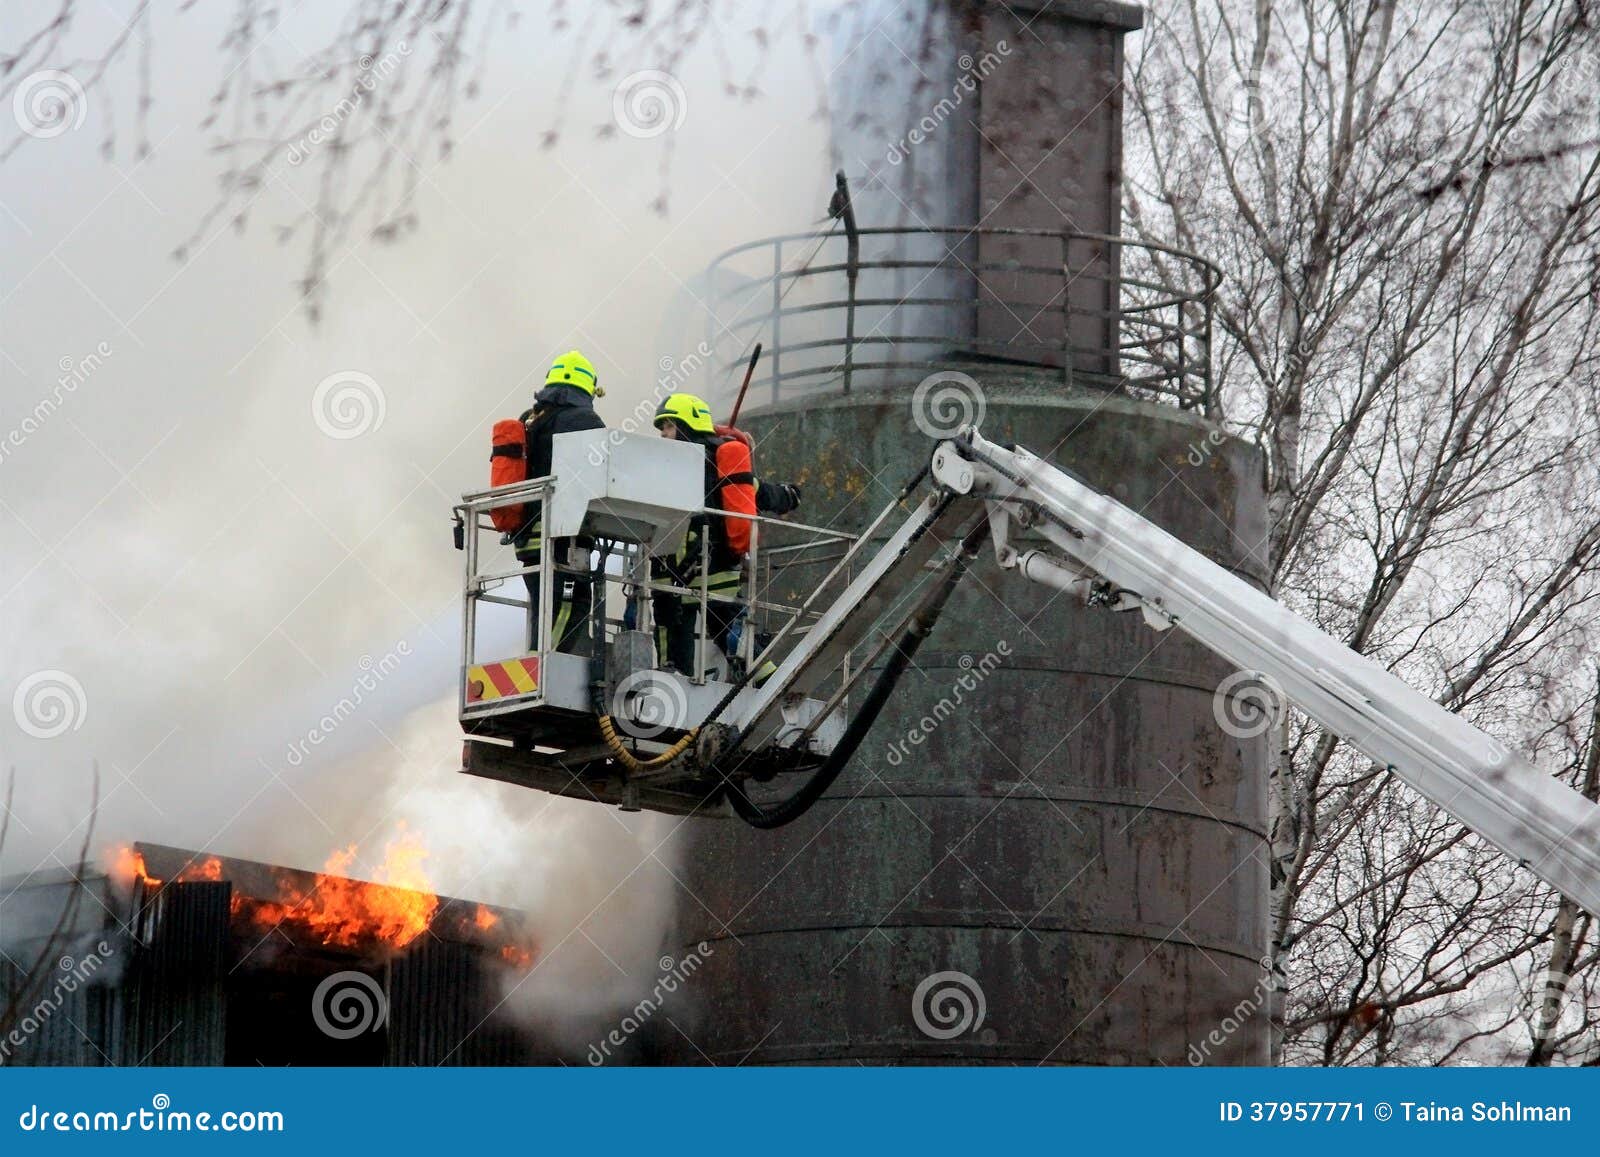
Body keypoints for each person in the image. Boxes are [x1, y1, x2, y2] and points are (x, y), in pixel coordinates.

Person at [649, 392, 801, 677]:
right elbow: (758, 491)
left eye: (668, 426)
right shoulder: (723, 459)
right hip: (721, 567)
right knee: (731, 632)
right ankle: (771, 683)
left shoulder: (674, 465)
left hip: (678, 572)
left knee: (672, 627)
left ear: (686, 425)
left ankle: (674, 680)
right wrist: (789, 495)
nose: (663, 435)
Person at [514, 350, 605, 655]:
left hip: (529, 536)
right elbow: (602, 469)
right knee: (571, 604)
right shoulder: (582, 418)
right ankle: (543, 664)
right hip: (560, 537)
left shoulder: (534, 418)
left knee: (546, 606)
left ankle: (539, 658)